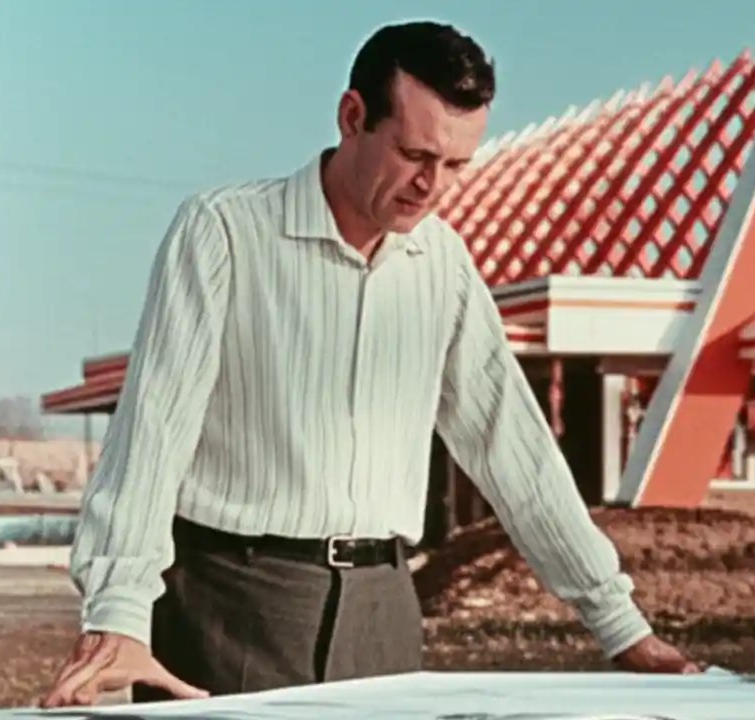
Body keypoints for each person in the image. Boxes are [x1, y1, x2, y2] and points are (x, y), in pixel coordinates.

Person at [41, 20, 696, 709]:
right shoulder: (225, 232)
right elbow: (152, 434)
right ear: (352, 116)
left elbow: (516, 452)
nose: (431, 186)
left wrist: (619, 623)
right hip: (233, 611)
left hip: (384, 612)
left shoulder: (441, 264)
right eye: (415, 154)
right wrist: (116, 614)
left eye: (454, 167)